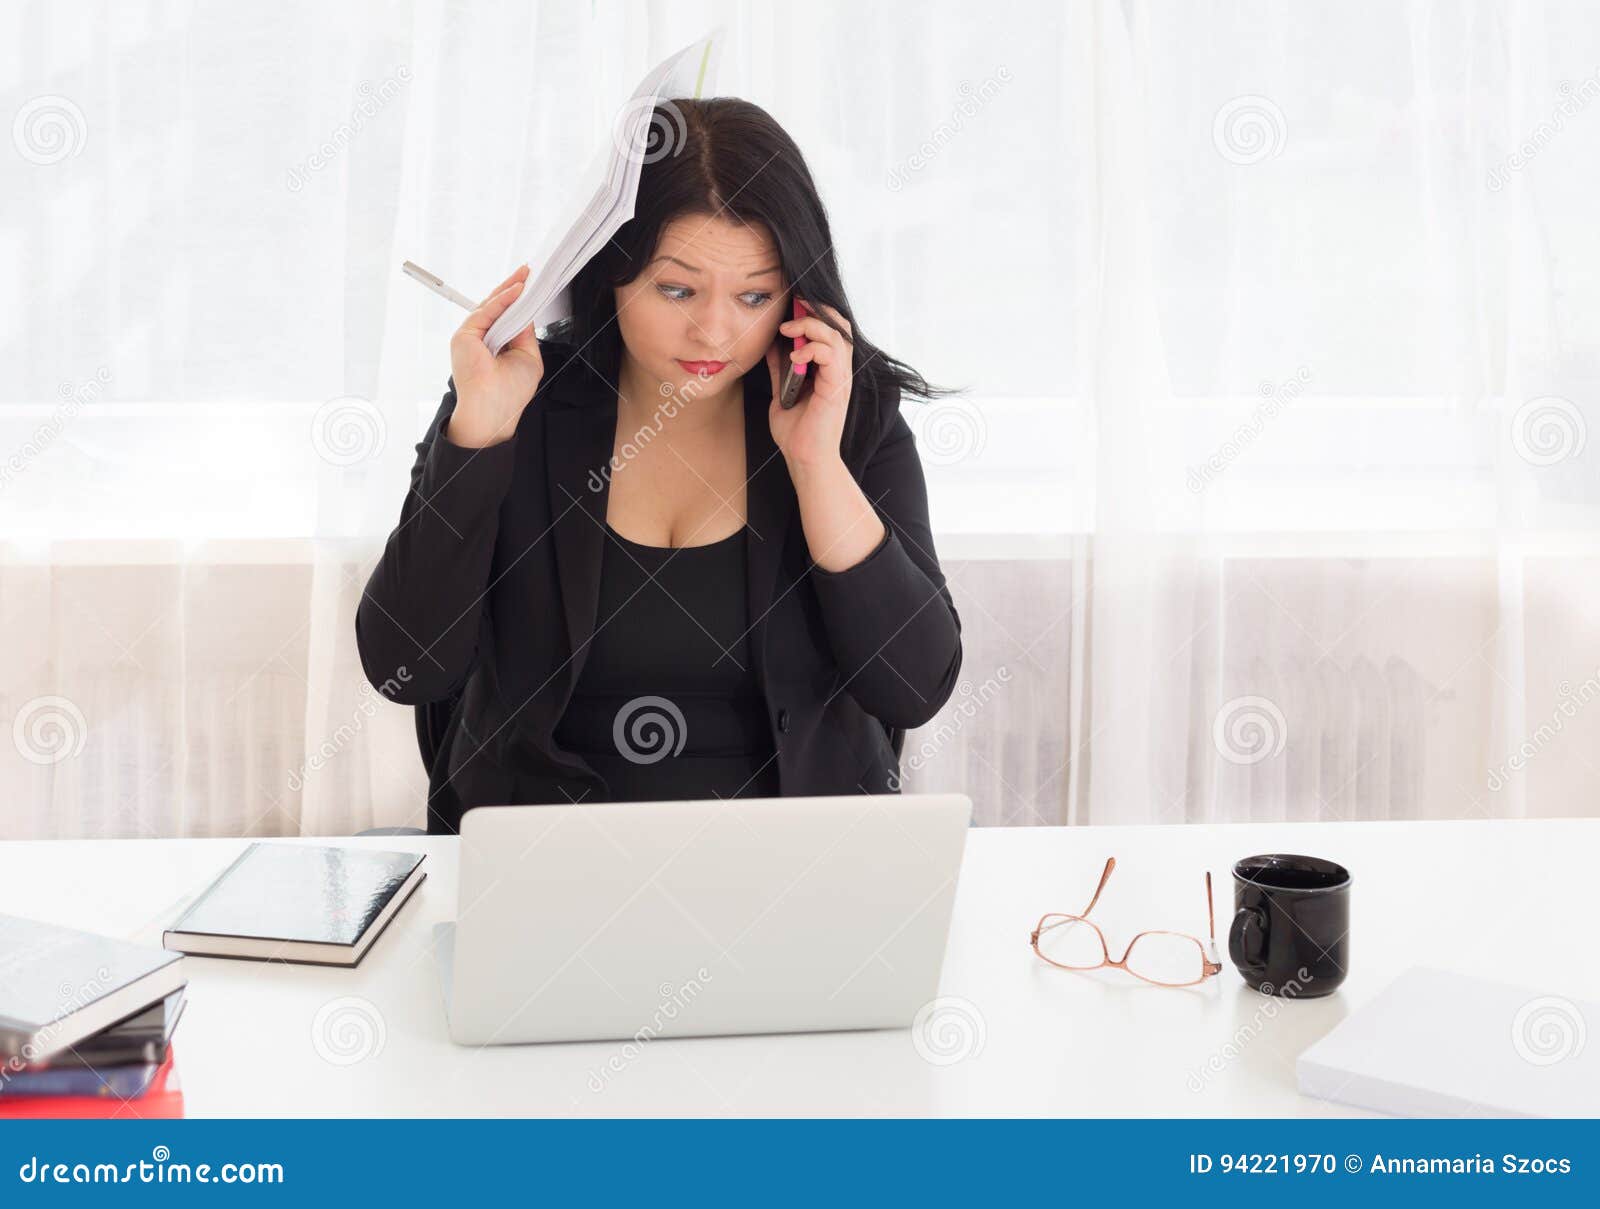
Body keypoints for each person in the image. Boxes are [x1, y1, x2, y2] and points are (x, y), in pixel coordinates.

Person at [356, 97, 964, 834]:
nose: (715, 329)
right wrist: (476, 438)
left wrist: (817, 467)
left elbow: (915, 688)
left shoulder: (848, 412)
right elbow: (406, 668)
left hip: (793, 865)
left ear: (795, 295)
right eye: (676, 289)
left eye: (755, 295)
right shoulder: (519, 402)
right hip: (546, 864)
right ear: (608, 273)